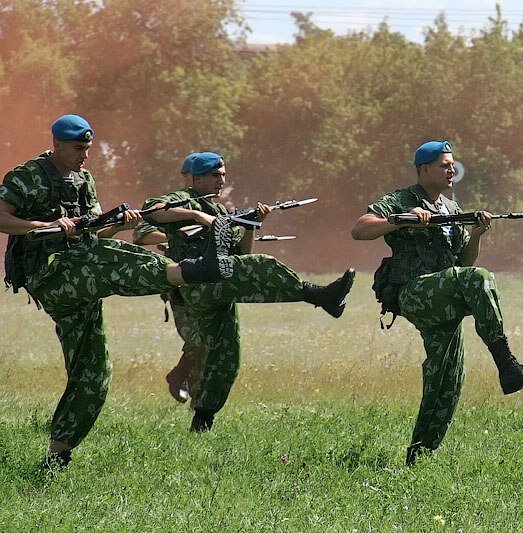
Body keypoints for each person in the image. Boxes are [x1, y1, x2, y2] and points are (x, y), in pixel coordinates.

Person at [0, 115, 235, 468]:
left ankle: (58, 454)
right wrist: (48, 225)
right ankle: (189, 272)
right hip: (50, 273)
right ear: (57, 144)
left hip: (82, 276)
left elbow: (94, 239)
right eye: (79, 149)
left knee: (94, 373)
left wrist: (118, 225)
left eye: (89, 149)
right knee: (112, 260)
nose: (85, 156)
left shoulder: (84, 181)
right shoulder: (26, 176)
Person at [351, 140, 523, 466]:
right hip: (413, 293)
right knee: (479, 279)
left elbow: (463, 262)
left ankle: (419, 456)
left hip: (444, 294)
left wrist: (478, 234)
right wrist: (402, 219)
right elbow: (359, 229)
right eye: (444, 165)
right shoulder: (401, 199)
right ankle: (507, 366)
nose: (451, 169)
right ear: (424, 169)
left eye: (452, 164)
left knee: (449, 378)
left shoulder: (452, 210)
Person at [143, 152, 356, 433]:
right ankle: (318, 295)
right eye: (215, 175)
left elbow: (241, 255)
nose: (222, 180)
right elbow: (152, 211)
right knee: (263, 266)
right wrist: (197, 215)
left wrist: (249, 226)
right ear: (197, 178)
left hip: (220, 287)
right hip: (195, 286)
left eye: (223, 174)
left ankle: (202, 423)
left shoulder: (220, 212)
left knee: (226, 358)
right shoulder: (182, 199)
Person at [134, 152, 205, 404]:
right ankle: (180, 377)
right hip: (181, 281)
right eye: (188, 175)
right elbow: (142, 232)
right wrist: (173, 238)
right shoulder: (174, 205)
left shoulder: (207, 204)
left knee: (209, 341)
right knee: (198, 340)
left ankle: (196, 397)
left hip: (205, 281)